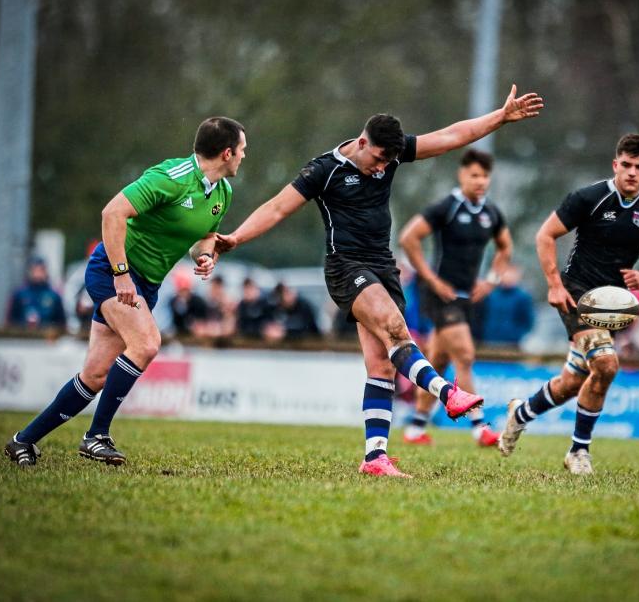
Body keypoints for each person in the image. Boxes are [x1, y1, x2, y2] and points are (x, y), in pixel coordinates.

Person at [216, 84, 543, 477]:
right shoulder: (324, 170)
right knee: (395, 329)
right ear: (361, 142)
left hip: (383, 267)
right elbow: (275, 208)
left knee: (382, 365)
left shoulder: (390, 153)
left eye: (391, 159)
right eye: (379, 157)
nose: (384, 166)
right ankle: (447, 393)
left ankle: (375, 457)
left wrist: (500, 117)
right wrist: (235, 237)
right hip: (346, 267)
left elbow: (450, 137)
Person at [4, 116, 245, 466]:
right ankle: (96, 436)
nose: (243, 156)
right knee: (147, 344)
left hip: (146, 283)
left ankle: (22, 441)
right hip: (112, 271)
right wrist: (120, 275)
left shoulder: (222, 192)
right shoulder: (171, 177)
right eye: (242, 150)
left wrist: (206, 255)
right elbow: (112, 213)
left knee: (96, 375)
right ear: (226, 153)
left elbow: (204, 236)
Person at [498, 134, 639, 475]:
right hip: (576, 292)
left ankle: (520, 413)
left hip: (611, 303)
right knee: (607, 365)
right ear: (615, 165)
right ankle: (578, 451)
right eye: (625, 165)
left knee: (573, 381)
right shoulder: (590, 197)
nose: (631, 172)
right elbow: (545, 235)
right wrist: (554, 284)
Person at [398, 148, 512, 447]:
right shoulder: (446, 207)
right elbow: (408, 237)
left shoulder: (491, 213)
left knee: (436, 361)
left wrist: (491, 281)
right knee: (465, 354)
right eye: (474, 175)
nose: (480, 181)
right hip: (439, 295)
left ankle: (414, 429)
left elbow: (505, 248)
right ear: (462, 175)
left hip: (465, 298)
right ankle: (479, 428)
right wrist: (431, 279)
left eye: (485, 176)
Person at [479, 264, 535, 347]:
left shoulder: (523, 297)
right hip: (488, 340)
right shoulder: (491, 294)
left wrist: (517, 335)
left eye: (512, 275)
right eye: (506, 274)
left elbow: (528, 321)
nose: (508, 277)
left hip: (512, 343)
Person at [6, 257, 67, 331]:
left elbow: (61, 322)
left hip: (46, 337)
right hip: (22, 337)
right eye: (35, 270)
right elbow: (10, 320)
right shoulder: (19, 294)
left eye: (41, 270)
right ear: (30, 271)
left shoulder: (54, 296)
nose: (38, 274)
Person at [169, 267, 208, 337]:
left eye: (185, 290)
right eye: (181, 291)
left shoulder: (198, 302)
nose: (183, 294)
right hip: (181, 333)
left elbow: (203, 321)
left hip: (198, 332)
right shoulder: (173, 301)